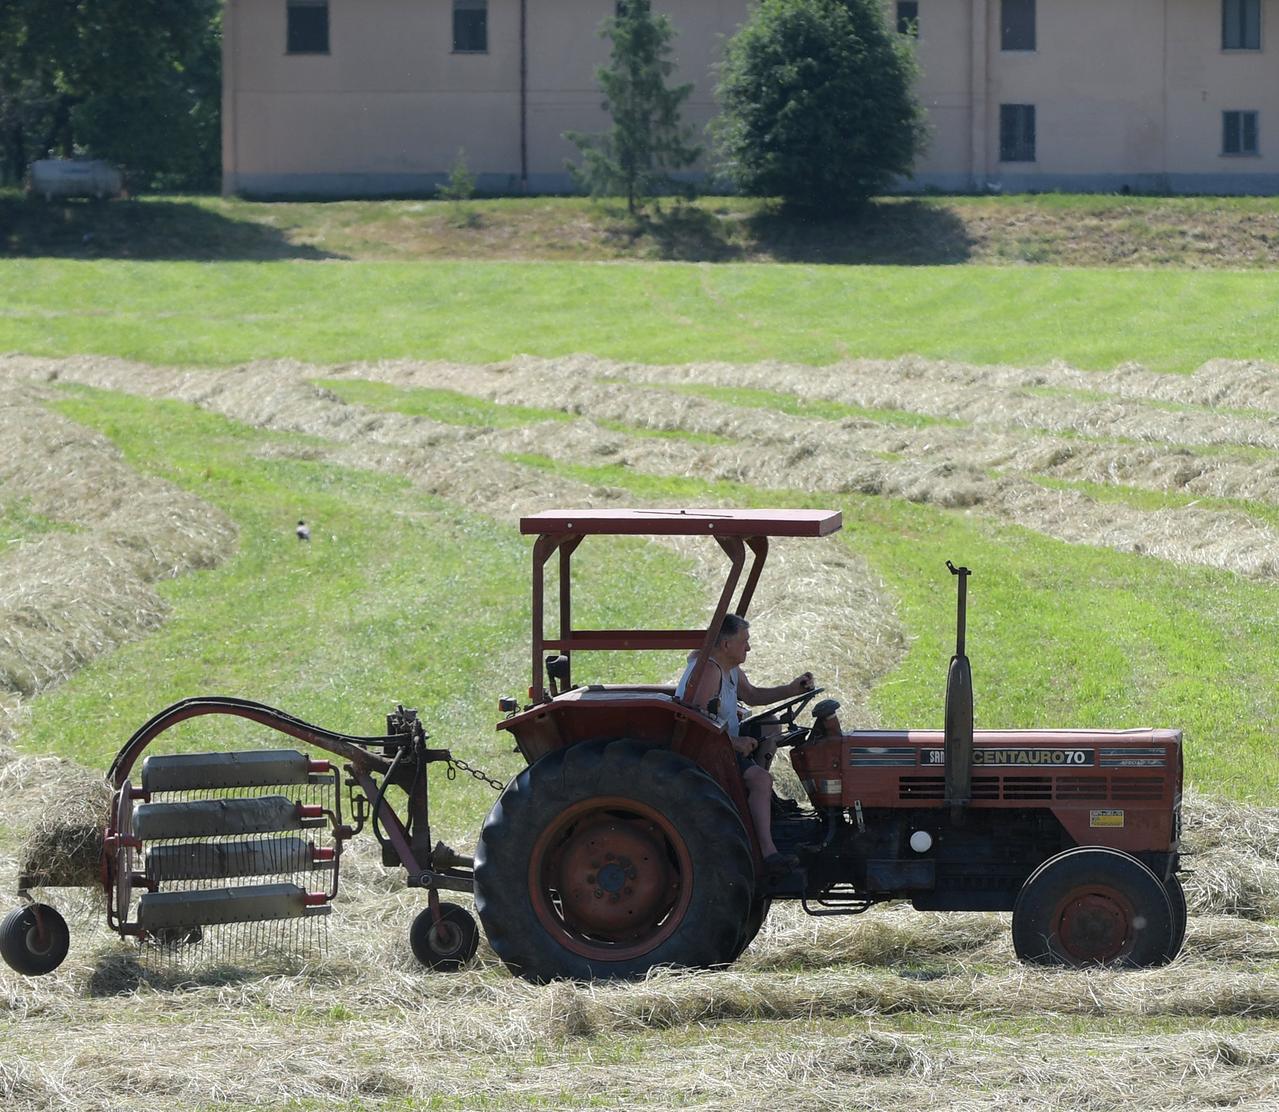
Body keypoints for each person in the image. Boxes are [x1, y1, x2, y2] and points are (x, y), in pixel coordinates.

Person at [675, 613, 814, 877]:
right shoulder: (708, 670)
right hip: (706, 749)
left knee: (771, 725)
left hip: (722, 743)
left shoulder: (728, 669)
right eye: (744, 641)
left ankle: (760, 803)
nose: (748, 647)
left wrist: (791, 689)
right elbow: (696, 720)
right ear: (726, 645)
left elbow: (752, 695)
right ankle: (767, 852)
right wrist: (734, 742)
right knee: (761, 779)